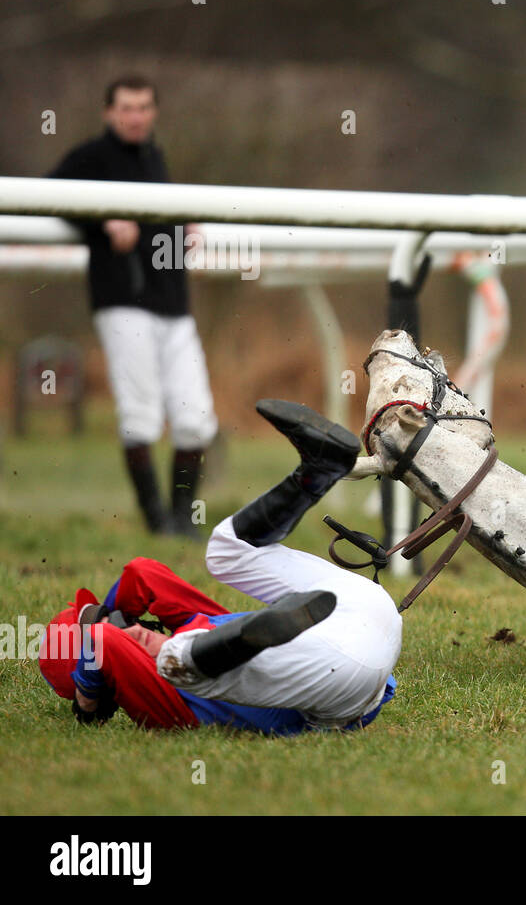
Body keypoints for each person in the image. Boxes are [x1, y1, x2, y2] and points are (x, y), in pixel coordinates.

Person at [37, 401, 401, 734]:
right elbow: (102, 642)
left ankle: (318, 469)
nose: (116, 626)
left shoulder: (185, 628)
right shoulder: (151, 692)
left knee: (225, 552)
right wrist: (88, 700)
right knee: (175, 659)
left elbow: (141, 573)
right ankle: (250, 637)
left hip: (360, 625)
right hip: (344, 673)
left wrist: (114, 611)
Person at [47, 73, 217, 537]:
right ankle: (157, 521)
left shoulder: (154, 158)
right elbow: (46, 195)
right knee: (140, 414)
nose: (135, 116)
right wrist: (102, 219)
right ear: (109, 112)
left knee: (196, 418)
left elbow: (155, 223)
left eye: (143, 107)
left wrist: (186, 227)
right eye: (126, 108)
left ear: (154, 112)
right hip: (123, 303)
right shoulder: (91, 156)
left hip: (174, 306)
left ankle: (182, 521)